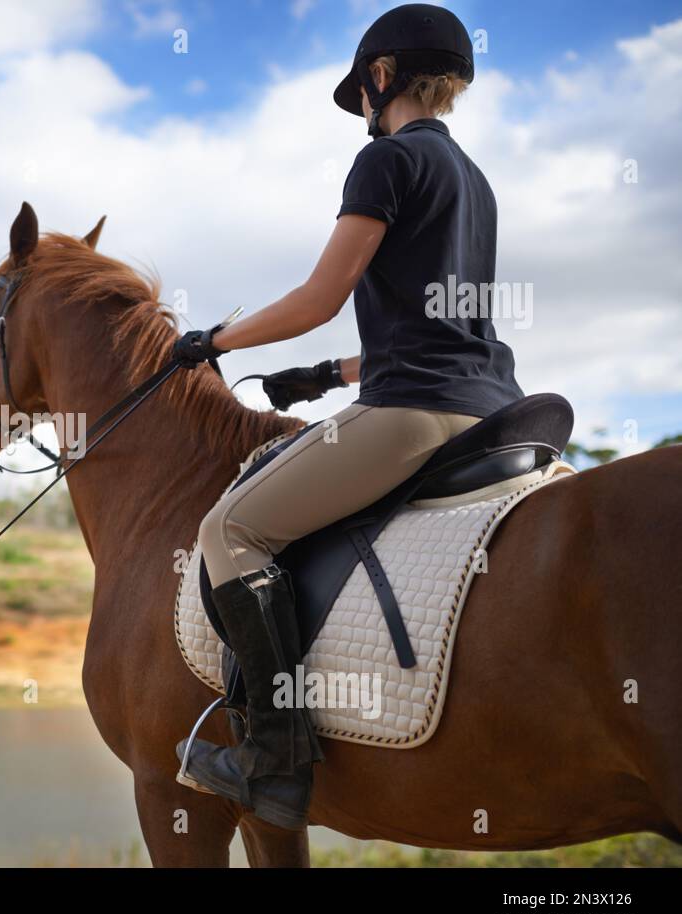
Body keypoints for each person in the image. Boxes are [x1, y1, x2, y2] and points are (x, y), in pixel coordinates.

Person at [171, 3, 524, 830]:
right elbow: (443, 328)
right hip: (489, 408)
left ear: (380, 77)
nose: (363, 112)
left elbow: (319, 295)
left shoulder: (386, 164)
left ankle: (274, 759)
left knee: (232, 533)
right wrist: (327, 373)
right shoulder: (476, 182)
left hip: (410, 415)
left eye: (363, 93)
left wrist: (212, 339)